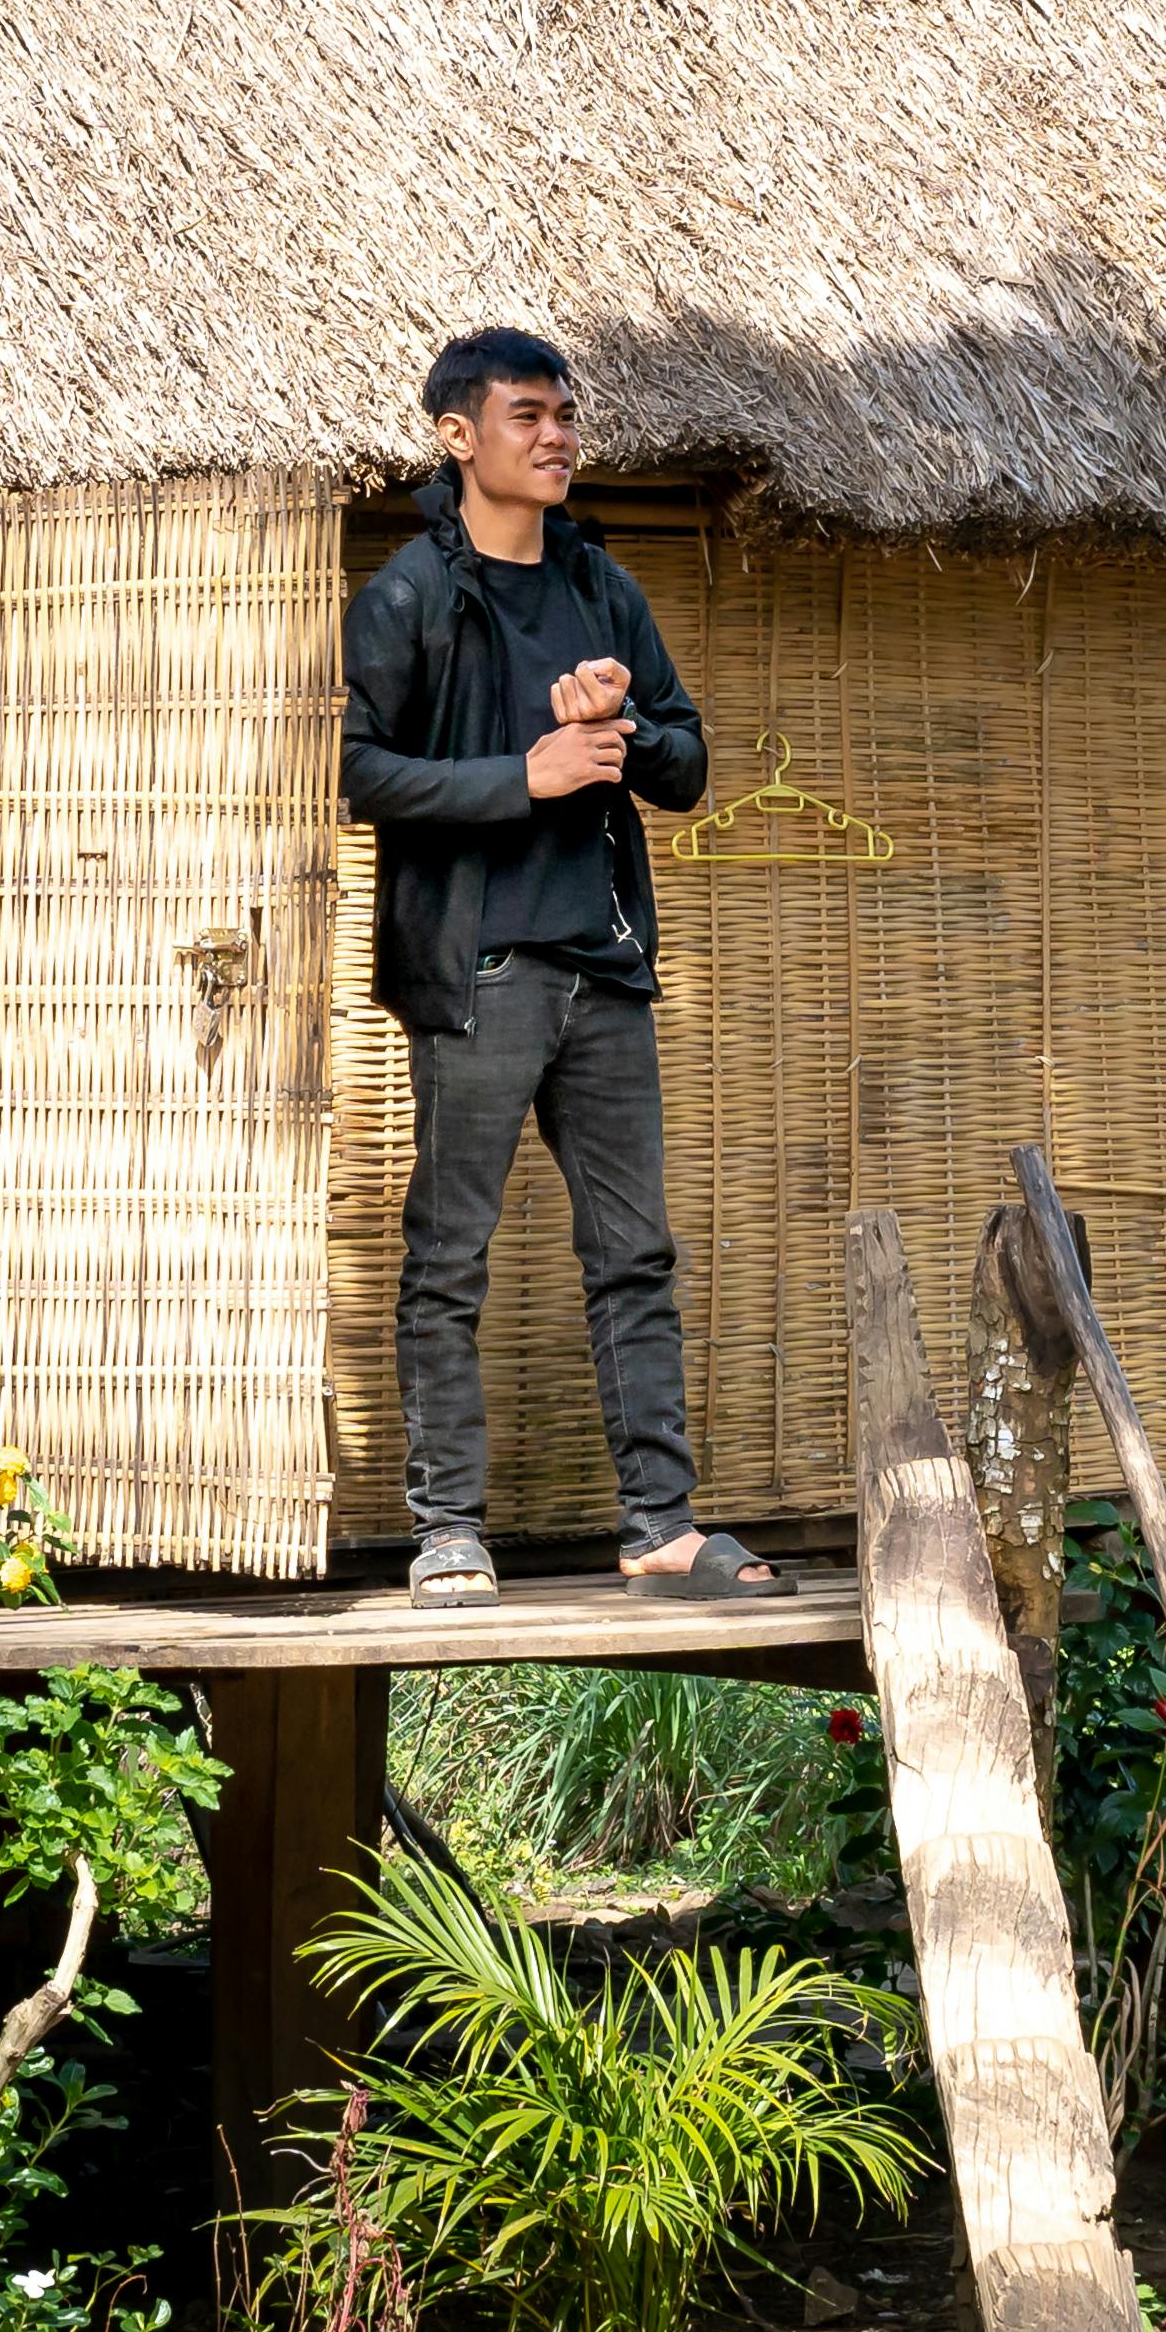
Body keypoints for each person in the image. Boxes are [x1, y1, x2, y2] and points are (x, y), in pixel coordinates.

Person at [346, 326, 778, 1606]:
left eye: (565, 416)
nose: (556, 436)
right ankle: (448, 1533)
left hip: (605, 970)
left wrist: (623, 726)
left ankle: (660, 1526)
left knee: (634, 1256)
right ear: (457, 435)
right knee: (449, 1255)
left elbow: (691, 768)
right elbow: (357, 771)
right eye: (527, 415)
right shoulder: (409, 597)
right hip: (476, 971)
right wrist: (518, 776)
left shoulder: (602, 587)